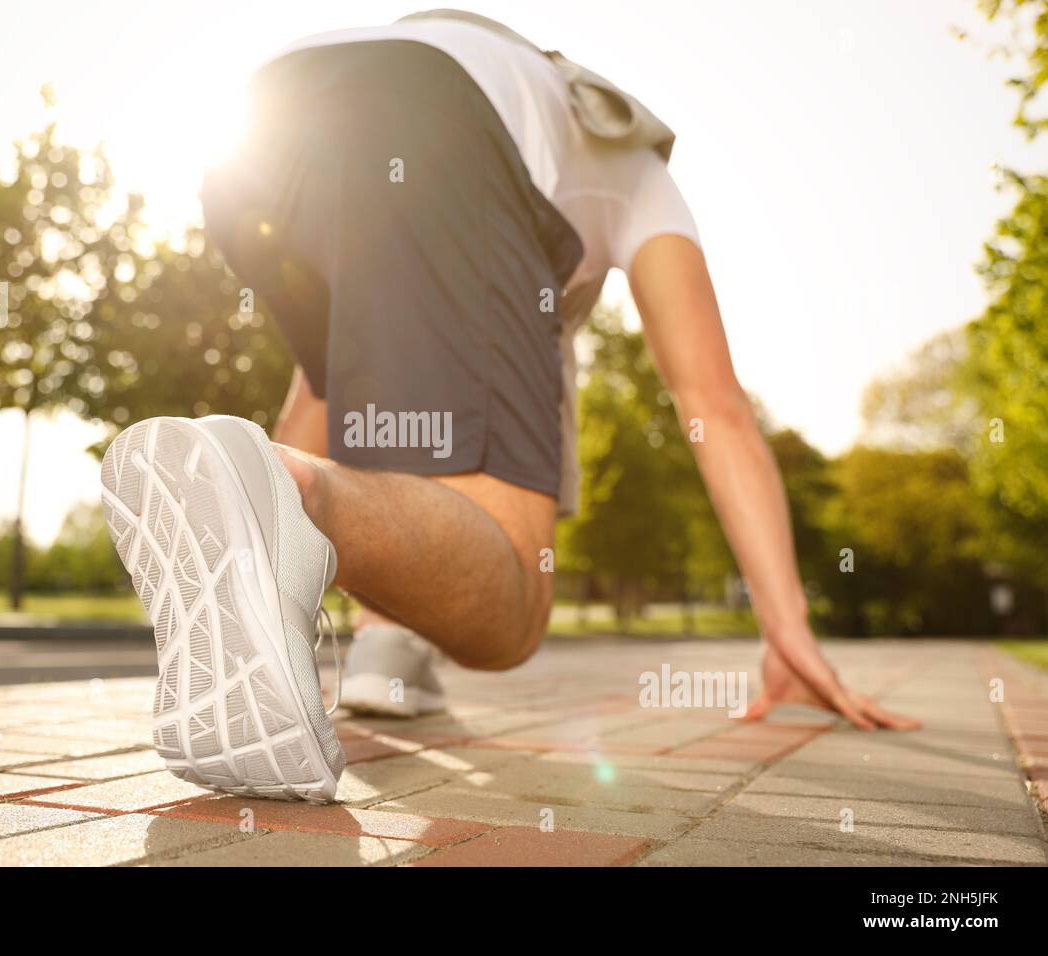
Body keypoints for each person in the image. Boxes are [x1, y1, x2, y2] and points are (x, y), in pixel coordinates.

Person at [99, 9, 919, 803]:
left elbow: (317, 397)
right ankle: (288, 500)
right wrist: (788, 626)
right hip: (438, 117)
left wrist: (246, 542)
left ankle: (343, 598)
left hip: (264, 139)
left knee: (339, 442)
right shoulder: (643, 181)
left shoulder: (532, 112)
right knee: (516, 602)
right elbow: (714, 405)